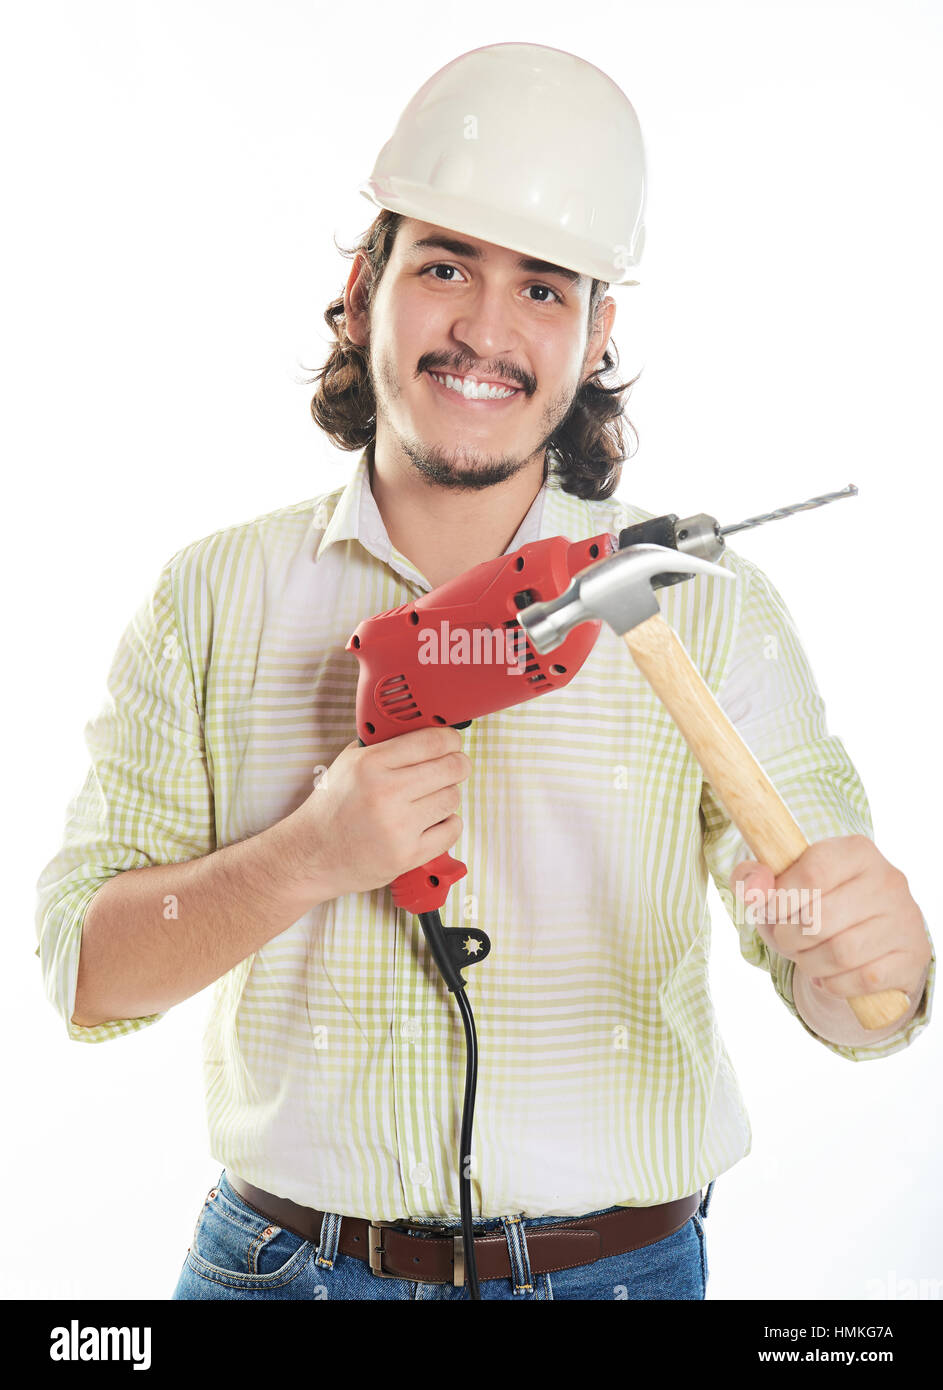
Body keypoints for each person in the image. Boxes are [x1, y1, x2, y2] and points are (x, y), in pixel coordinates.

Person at [35, 42, 933, 1302]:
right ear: (364, 288)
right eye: (445, 264)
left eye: (546, 291)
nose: (486, 331)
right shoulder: (210, 597)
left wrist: (865, 969)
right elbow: (84, 972)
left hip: (614, 1274)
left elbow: (822, 965)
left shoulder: (702, 612)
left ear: (595, 331)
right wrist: (312, 852)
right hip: (278, 1271)